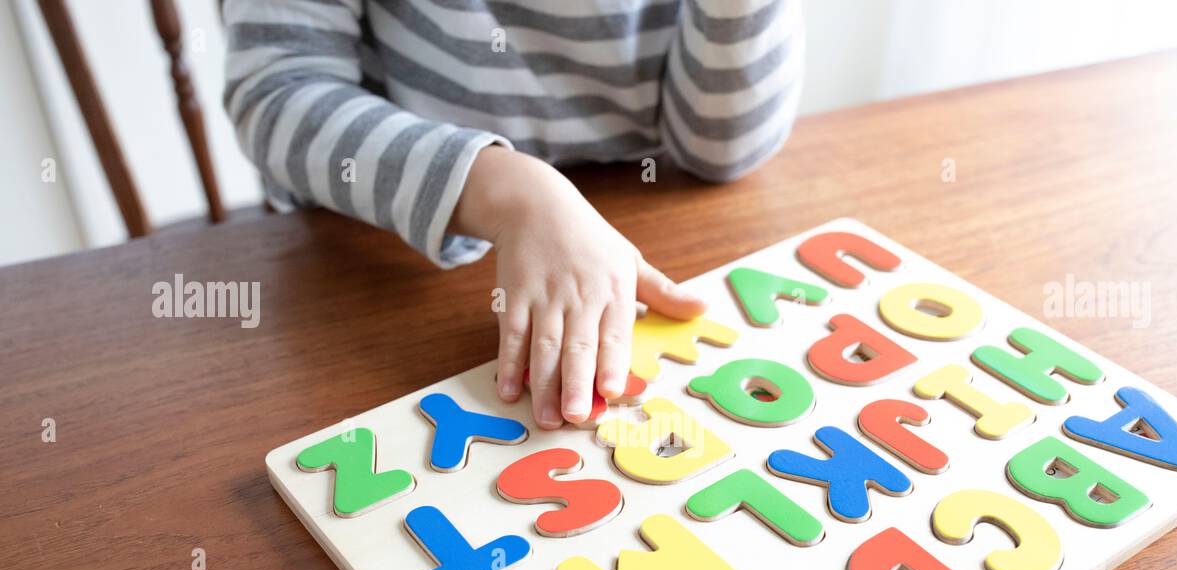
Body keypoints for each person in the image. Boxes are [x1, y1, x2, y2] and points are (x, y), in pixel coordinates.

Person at [224, 0, 804, 427]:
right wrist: (514, 194)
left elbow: (718, 148)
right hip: (376, 250)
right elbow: (279, 98)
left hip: (646, 209)